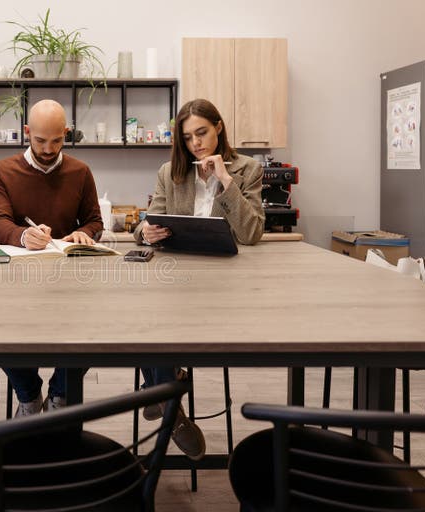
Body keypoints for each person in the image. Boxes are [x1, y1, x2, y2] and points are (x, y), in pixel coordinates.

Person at [133, 98, 265, 460]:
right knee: (140, 318)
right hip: (176, 278)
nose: (196, 143)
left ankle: (158, 392)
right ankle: (172, 408)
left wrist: (224, 180)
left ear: (219, 127)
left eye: (202, 133)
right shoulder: (169, 171)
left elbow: (251, 232)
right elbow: (147, 224)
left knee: (158, 327)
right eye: (188, 137)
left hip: (226, 282)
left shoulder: (247, 169)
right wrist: (147, 232)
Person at [0, 99, 103, 416]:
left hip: (70, 282)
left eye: (57, 140)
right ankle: (28, 397)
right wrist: (23, 235)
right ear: (27, 132)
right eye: (40, 140)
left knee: (91, 333)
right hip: (18, 281)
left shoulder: (80, 172)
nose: (49, 148)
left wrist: (86, 234)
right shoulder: (4, 170)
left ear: (66, 133)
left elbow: (95, 221)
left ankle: (60, 396)